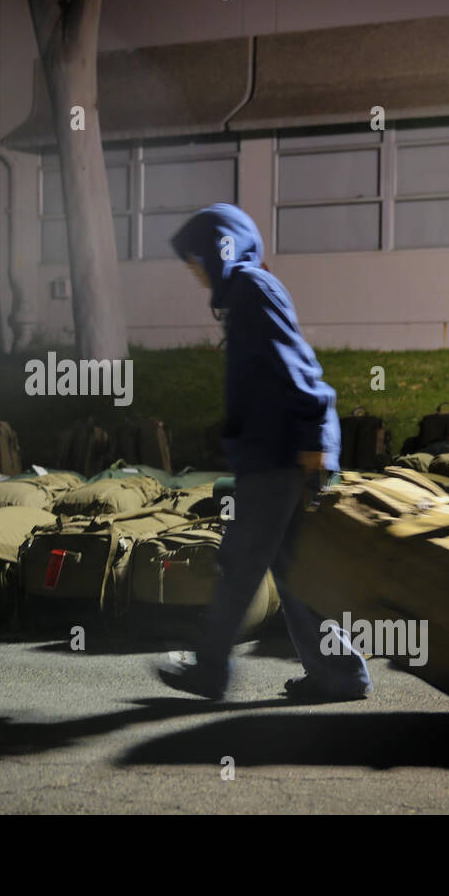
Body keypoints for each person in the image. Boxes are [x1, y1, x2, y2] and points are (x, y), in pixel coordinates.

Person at [157, 203, 372, 702]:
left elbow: (300, 373)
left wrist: (315, 446)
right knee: (292, 573)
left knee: (240, 564)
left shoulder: (254, 290)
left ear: (220, 250)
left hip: (281, 460)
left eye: (196, 258)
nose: (193, 270)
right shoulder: (245, 296)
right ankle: (339, 674)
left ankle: (210, 670)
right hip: (274, 457)